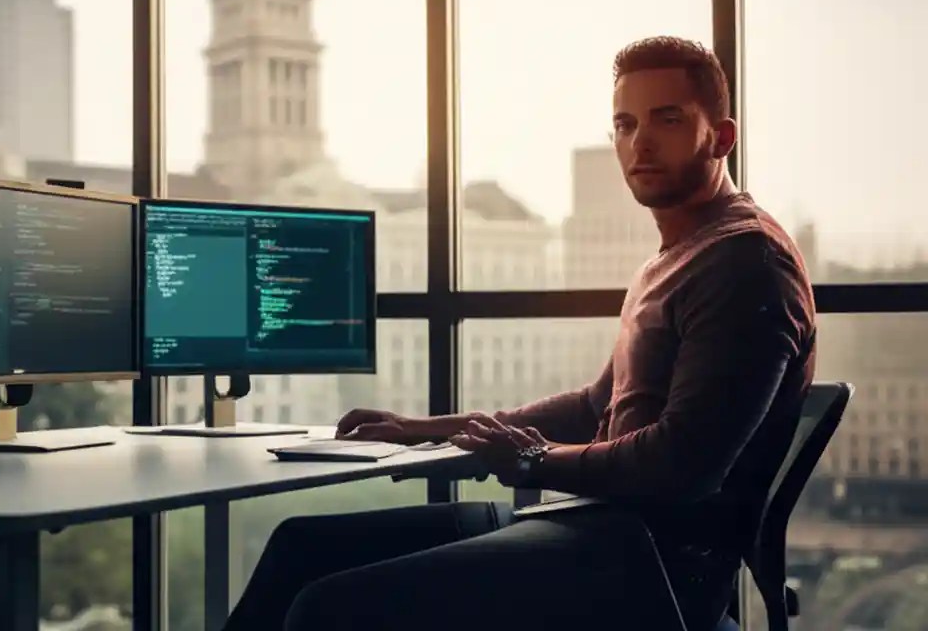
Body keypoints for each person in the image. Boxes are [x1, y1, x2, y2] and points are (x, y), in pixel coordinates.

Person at [222, 36, 817, 631]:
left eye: (668, 119)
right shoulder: (676, 256)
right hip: (592, 525)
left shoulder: (745, 264)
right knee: (301, 548)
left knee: (328, 610)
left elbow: (680, 467)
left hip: (643, 568)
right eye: (625, 123)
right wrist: (429, 430)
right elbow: (595, 406)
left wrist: (531, 460)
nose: (640, 142)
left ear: (721, 136)